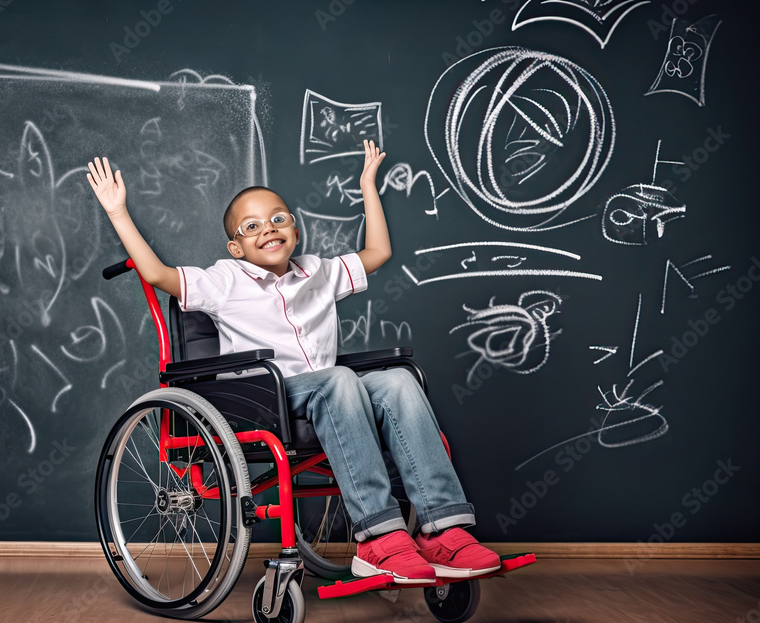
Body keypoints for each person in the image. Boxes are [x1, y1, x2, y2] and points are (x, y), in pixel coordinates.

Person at [87, 140, 500, 584]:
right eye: (252, 226)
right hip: (264, 397)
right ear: (236, 248)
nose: (268, 228)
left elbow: (377, 253)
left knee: (398, 380)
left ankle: (444, 530)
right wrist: (118, 212)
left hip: (328, 391)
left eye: (278, 219)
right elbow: (158, 275)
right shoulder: (224, 281)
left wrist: (368, 188)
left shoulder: (318, 272)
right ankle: (378, 539)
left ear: (296, 231)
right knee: (340, 380)